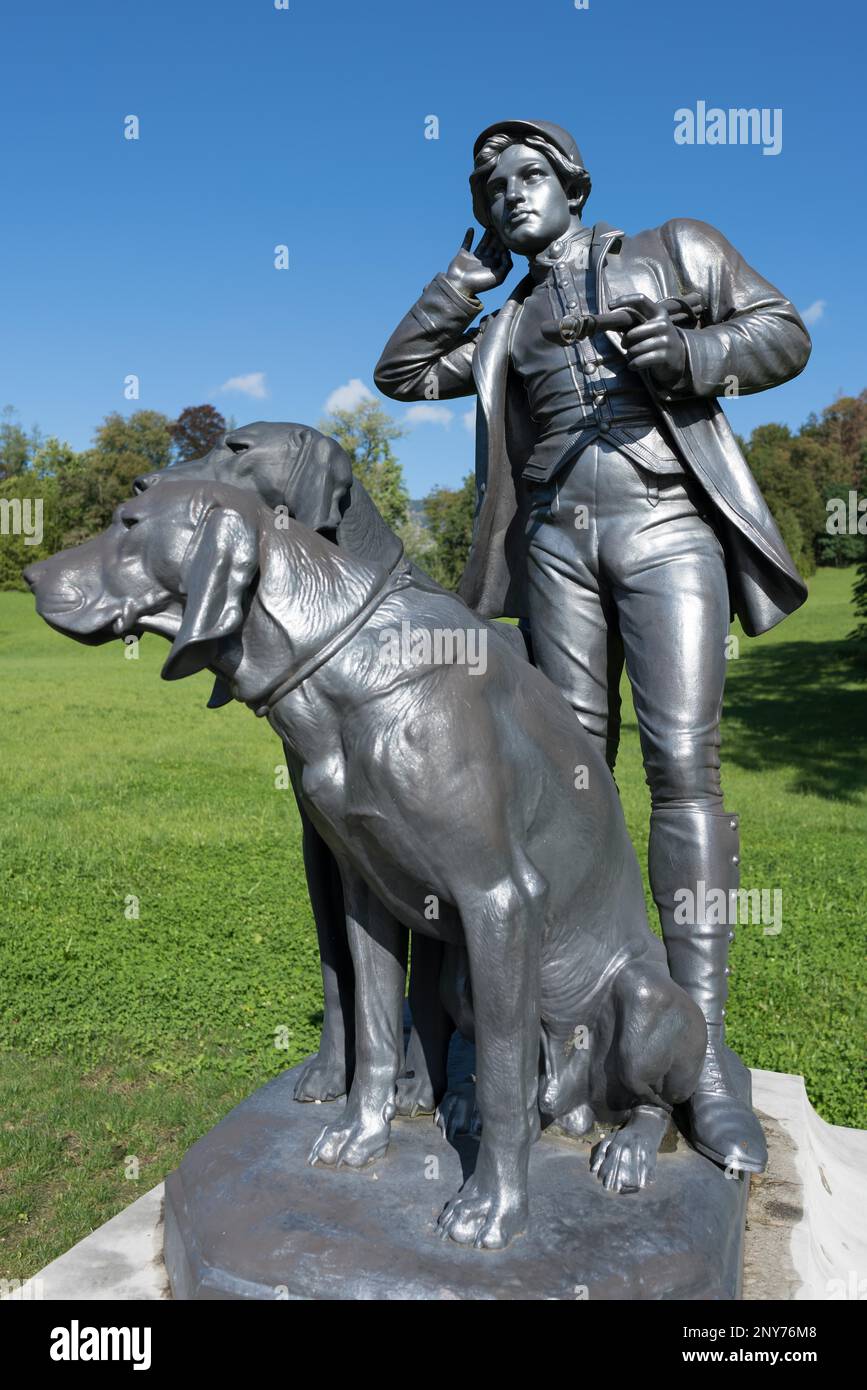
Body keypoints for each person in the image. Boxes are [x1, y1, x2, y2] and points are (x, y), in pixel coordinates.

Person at [374, 118, 812, 1172]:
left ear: (574, 184)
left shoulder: (672, 248)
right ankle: (563, 1034)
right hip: (554, 547)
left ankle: (700, 1063)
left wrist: (696, 354)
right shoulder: (505, 322)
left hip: (666, 528)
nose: (511, 195)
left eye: (529, 175)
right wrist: (461, 281)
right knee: (567, 784)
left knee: (683, 767)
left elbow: (784, 332)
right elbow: (401, 372)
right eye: (492, 188)